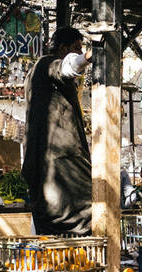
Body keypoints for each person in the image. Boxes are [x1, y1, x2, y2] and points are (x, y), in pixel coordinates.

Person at [22, 26, 92, 236]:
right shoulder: (47, 65)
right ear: (63, 49)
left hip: (49, 165)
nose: (79, 52)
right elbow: (67, 67)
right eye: (76, 48)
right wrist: (88, 57)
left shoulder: (40, 75)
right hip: (59, 165)